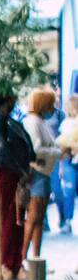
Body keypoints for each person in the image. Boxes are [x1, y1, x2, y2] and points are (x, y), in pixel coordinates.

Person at [0, 86, 34, 280]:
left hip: (13, 175)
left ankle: (12, 262)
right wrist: (21, 171)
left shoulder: (7, 121)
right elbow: (2, 149)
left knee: (15, 219)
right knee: (9, 219)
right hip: (8, 176)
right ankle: (6, 263)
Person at [22, 88, 62, 259]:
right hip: (37, 173)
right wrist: (57, 151)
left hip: (43, 173)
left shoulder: (39, 121)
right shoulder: (33, 122)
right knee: (33, 216)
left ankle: (35, 256)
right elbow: (36, 150)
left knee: (38, 218)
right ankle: (24, 256)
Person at [55, 94, 78, 235]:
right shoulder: (66, 123)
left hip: (69, 160)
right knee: (68, 191)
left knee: (68, 192)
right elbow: (62, 146)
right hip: (69, 160)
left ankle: (67, 220)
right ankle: (67, 220)